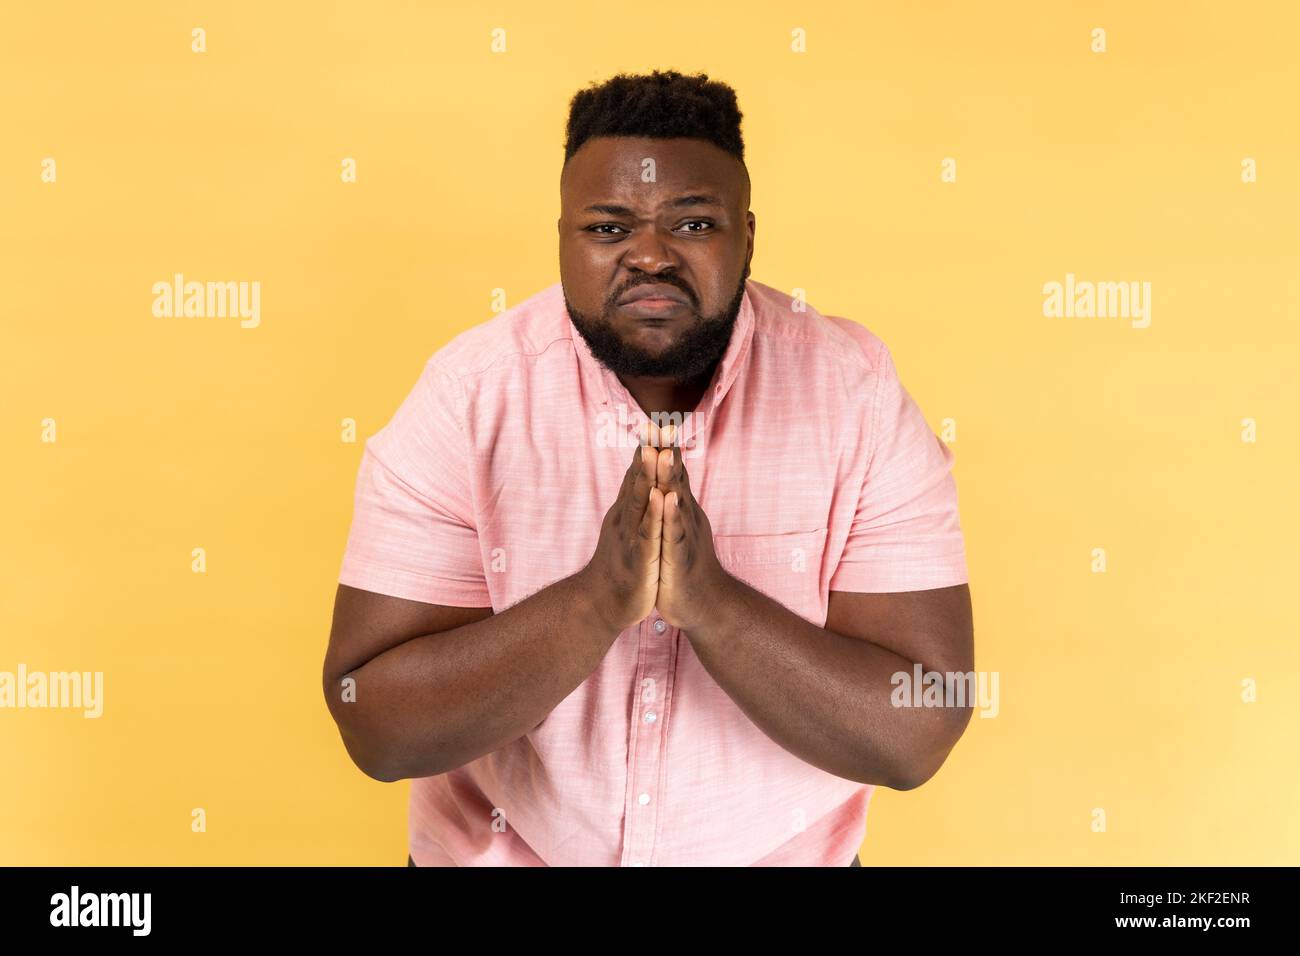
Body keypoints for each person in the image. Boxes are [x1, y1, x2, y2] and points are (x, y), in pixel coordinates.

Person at [324, 69, 974, 867]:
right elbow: (374, 727)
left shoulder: (855, 395)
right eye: (607, 229)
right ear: (561, 238)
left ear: (748, 236)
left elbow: (919, 732)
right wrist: (597, 602)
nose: (650, 257)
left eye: (693, 222)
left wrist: (711, 602)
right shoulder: (467, 397)